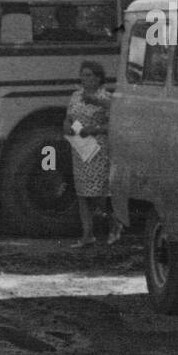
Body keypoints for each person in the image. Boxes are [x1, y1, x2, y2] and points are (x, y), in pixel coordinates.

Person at [63, 60, 122, 248]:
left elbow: (114, 125)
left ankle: (114, 225)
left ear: (98, 78)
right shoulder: (76, 96)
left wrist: (94, 129)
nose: (84, 79)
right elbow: (69, 117)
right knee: (82, 194)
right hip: (80, 149)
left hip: (98, 149)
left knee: (99, 194)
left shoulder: (106, 98)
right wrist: (66, 126)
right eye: (83, 75)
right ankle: (87, 234)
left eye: (89, 75)